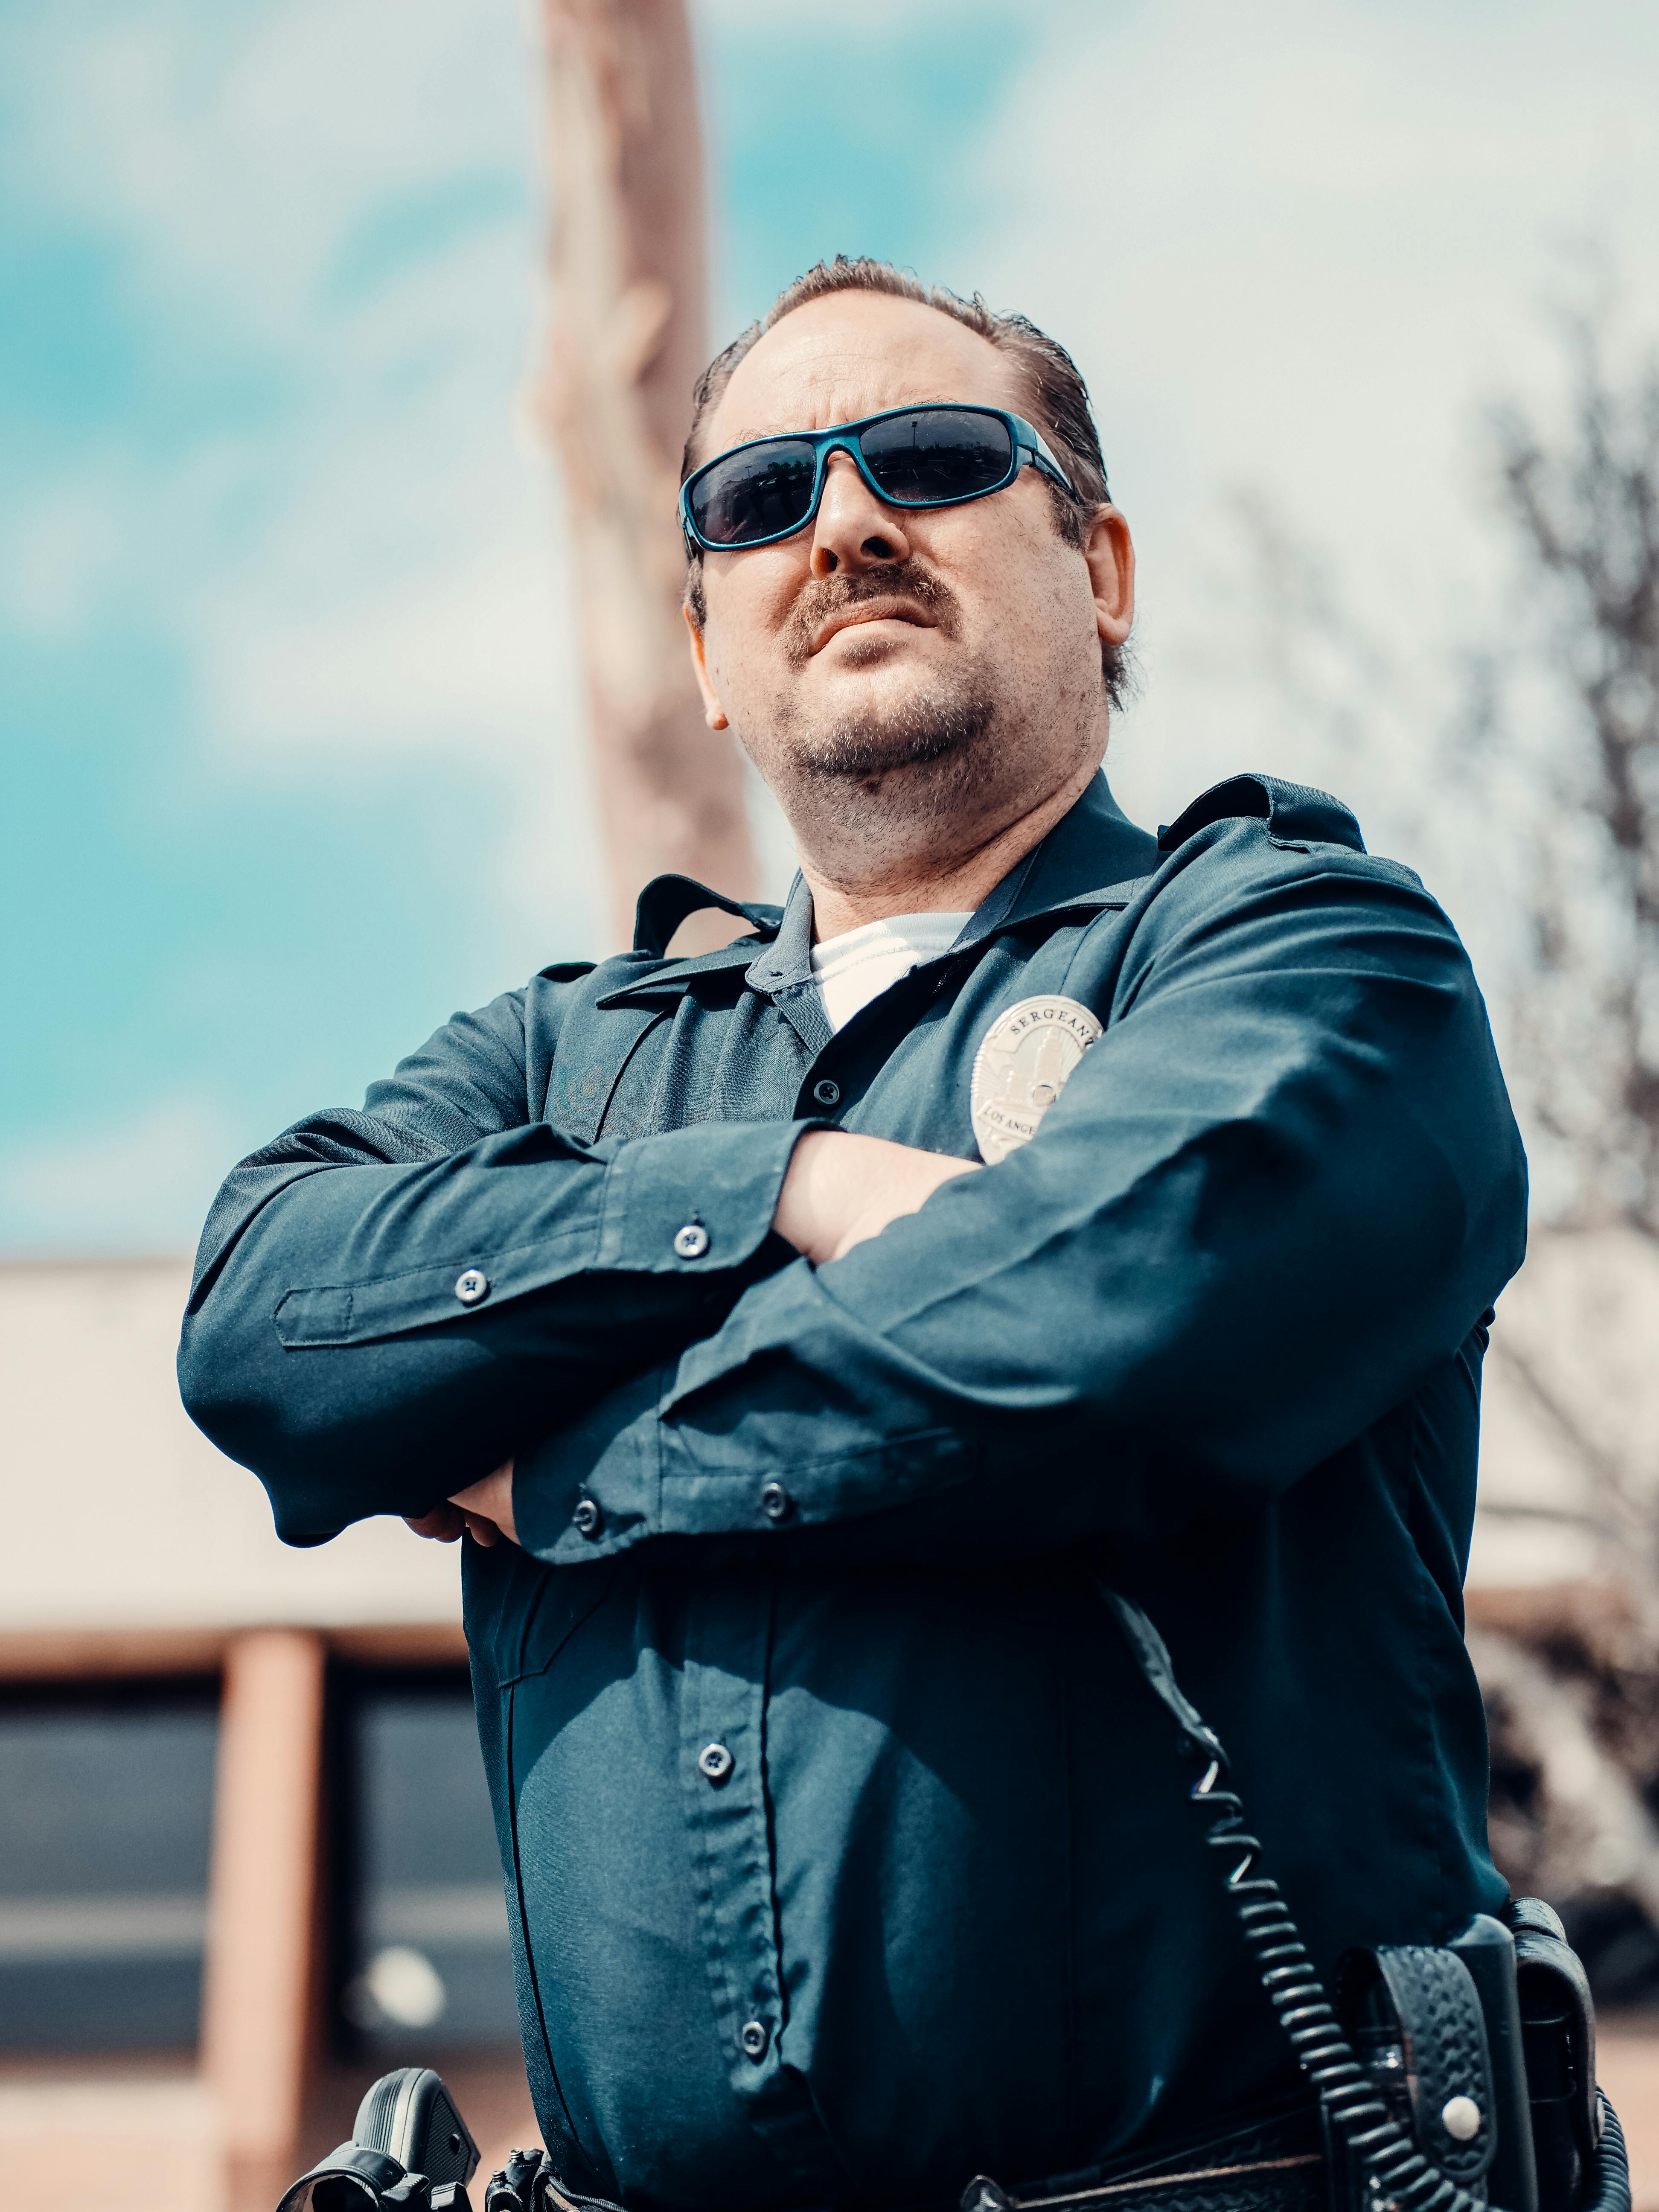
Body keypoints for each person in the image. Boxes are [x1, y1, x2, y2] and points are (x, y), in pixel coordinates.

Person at [180, 257, 1528, 2212]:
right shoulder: (562, 1048)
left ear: (1106, 568)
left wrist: (547, 1461)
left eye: (932, 458)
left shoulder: (1310, 955)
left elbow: (1096, 1331)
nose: (846, 523)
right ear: (709, 653)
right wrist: (780, 1193)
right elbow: (262, 1320)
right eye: (760, 498)